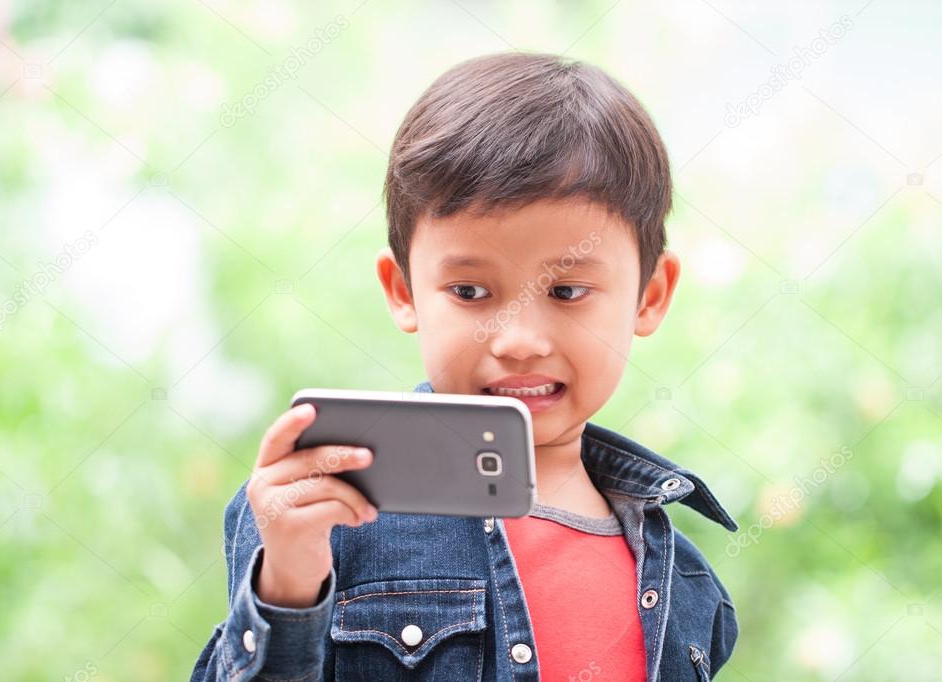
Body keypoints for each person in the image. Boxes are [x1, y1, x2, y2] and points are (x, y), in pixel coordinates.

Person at [191, 51, 739, 681]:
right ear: (403, 290)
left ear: (650, 295)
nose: (520, 341)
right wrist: (289, 585)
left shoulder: (689, 586)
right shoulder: (320, 514)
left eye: (566, 291)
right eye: (471, 292)